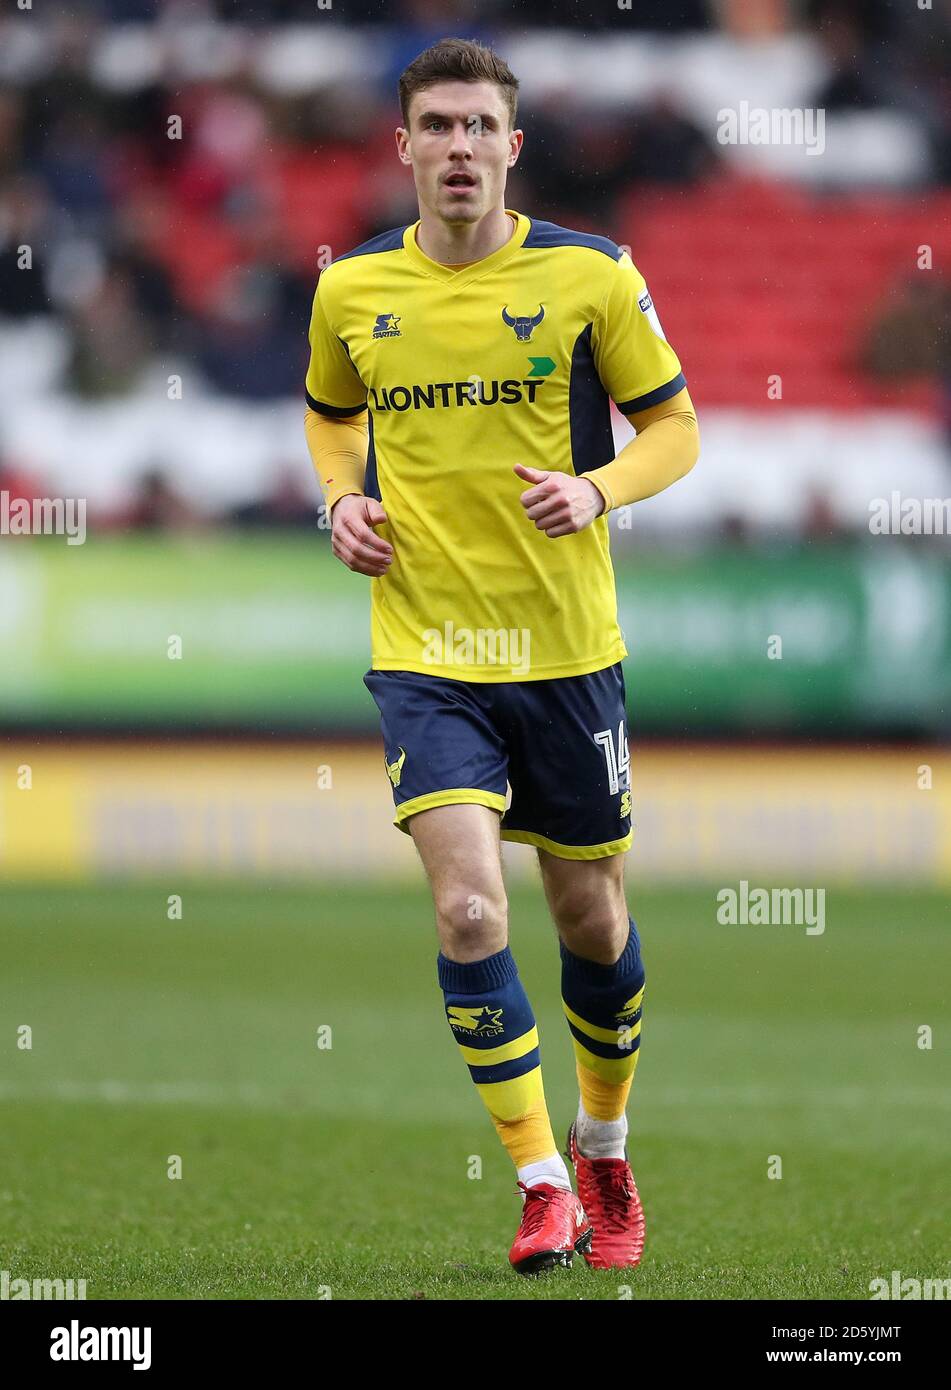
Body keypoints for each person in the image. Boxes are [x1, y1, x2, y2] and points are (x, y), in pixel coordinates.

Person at [304, 36, 699, 1276]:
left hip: (566, 651)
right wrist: (338, 502)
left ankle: (605, 1142)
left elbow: (676, 428)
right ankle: (539, 1180)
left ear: (512, 147)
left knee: (589, 915)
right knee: (472, 903)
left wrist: (598, 490)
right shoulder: (350, 290)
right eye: (440, 127)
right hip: (427, 653)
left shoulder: (591, 275)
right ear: (405, 144)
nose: (461, 149)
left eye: (482, 127)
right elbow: (329, 415)